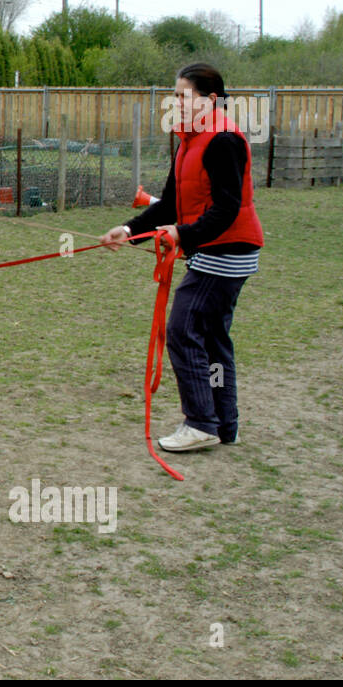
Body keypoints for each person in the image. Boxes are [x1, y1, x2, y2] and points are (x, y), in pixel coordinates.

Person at [100, 63, 264, 451]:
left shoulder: (223, 139)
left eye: (183, 96)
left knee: (182, 329)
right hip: (214, 249)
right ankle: (225, 423)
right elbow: (171, 203)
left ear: (209, 100)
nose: (176, 103)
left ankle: (201, 422)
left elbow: (227, 208)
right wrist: (128, 231)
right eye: (173, 96)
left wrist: (184, 234)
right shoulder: (190, 139)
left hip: (226, 251)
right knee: (212, 338)